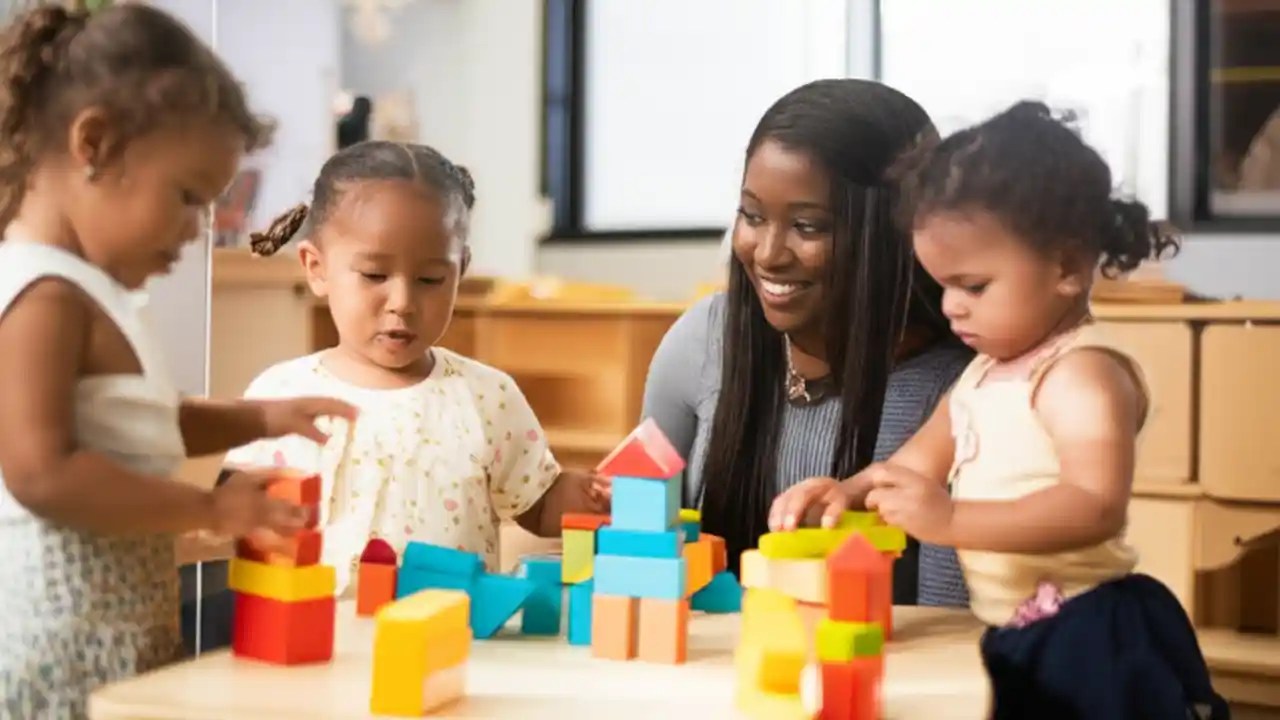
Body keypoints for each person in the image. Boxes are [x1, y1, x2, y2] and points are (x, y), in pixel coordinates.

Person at [772, 101, 1228, 718]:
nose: (951, 307)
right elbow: (911, 467)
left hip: (1084, 629)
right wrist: (846, 490)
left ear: (1066, 267)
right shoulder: (981, 376)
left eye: (973, 286)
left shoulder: (1079, 372)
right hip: (1009, 627)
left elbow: (1094, 504)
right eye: (942, 285)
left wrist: (951, 520)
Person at [0, 5, 356, 716]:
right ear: (93, 144)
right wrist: (211, 508)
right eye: (187, 197)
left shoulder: (86, 291)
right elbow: (42, 471)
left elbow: (142, 428)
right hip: (57, 652)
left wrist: (257, 417)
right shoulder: (43, 297)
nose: (197, 230)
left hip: (113, 637)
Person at [224, 140, 609, 599]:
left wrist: (586, 497)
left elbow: (537, 502)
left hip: (447, 644)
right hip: (315, 649)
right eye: (373, 275)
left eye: (430, 280)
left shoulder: (488, 397)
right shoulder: (280, 394)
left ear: (460, 269)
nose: (403, 303)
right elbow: (234, 517)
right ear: (317, 268)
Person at [643, 78, 972, 606]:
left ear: (892, 231)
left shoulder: (962, 393)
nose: (768, 253)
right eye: (752, 216)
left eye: (808, 226)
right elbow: (640, 554)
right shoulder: (702, 340)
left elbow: (953, 634)